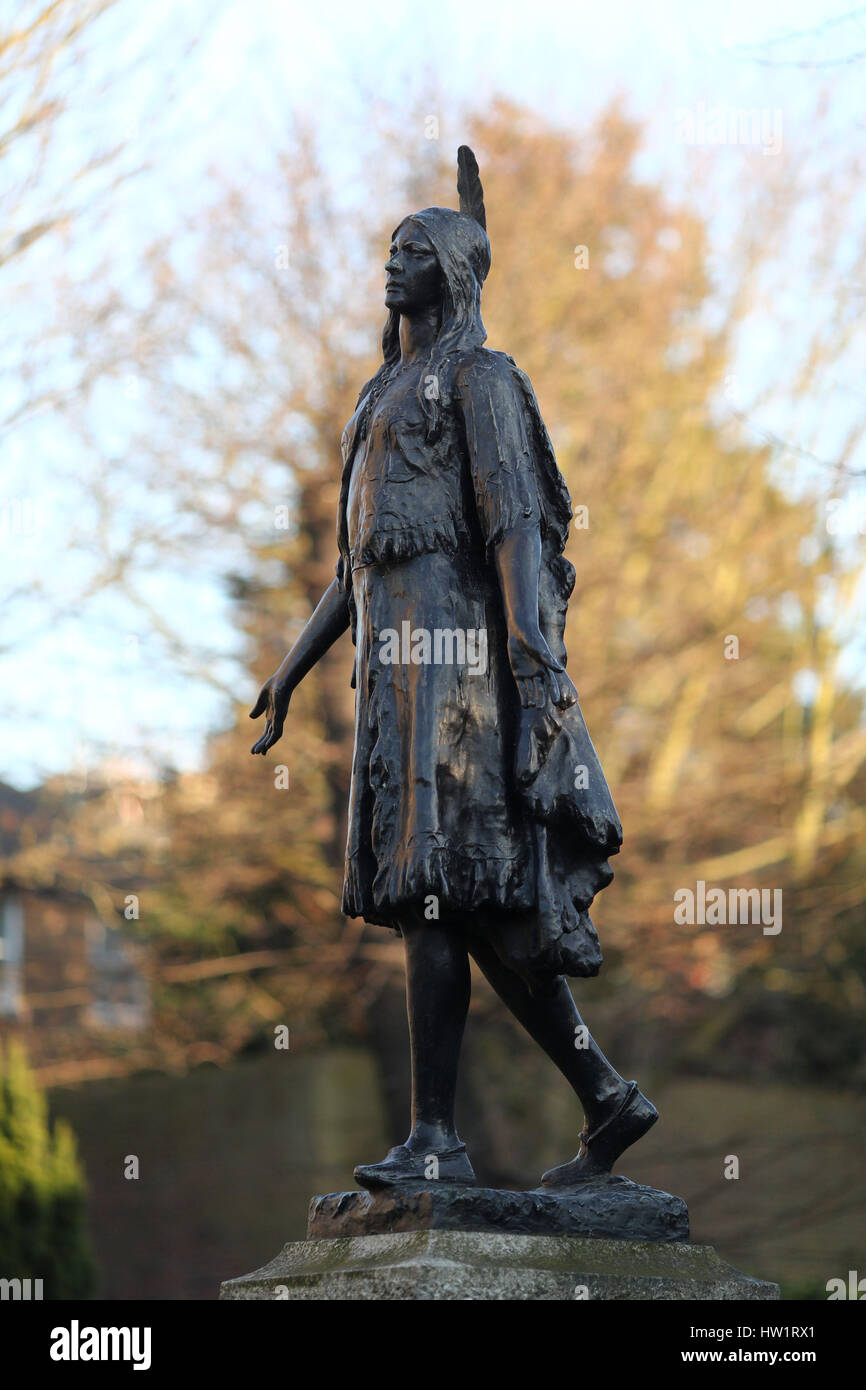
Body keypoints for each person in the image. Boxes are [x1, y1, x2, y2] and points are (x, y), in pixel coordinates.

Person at [250, 148, 657, 1190]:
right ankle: (601, 1098)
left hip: (458, 675)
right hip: (390, 675)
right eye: (389, 250)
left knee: (440, 891)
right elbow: (356, 564)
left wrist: (532, 671)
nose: (392, 265)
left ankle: (439, 1136)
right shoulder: (377, 392)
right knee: (447, 899)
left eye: (413, 251)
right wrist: (290, 675)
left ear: (455, 272)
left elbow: (517, 528)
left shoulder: (479, 380)